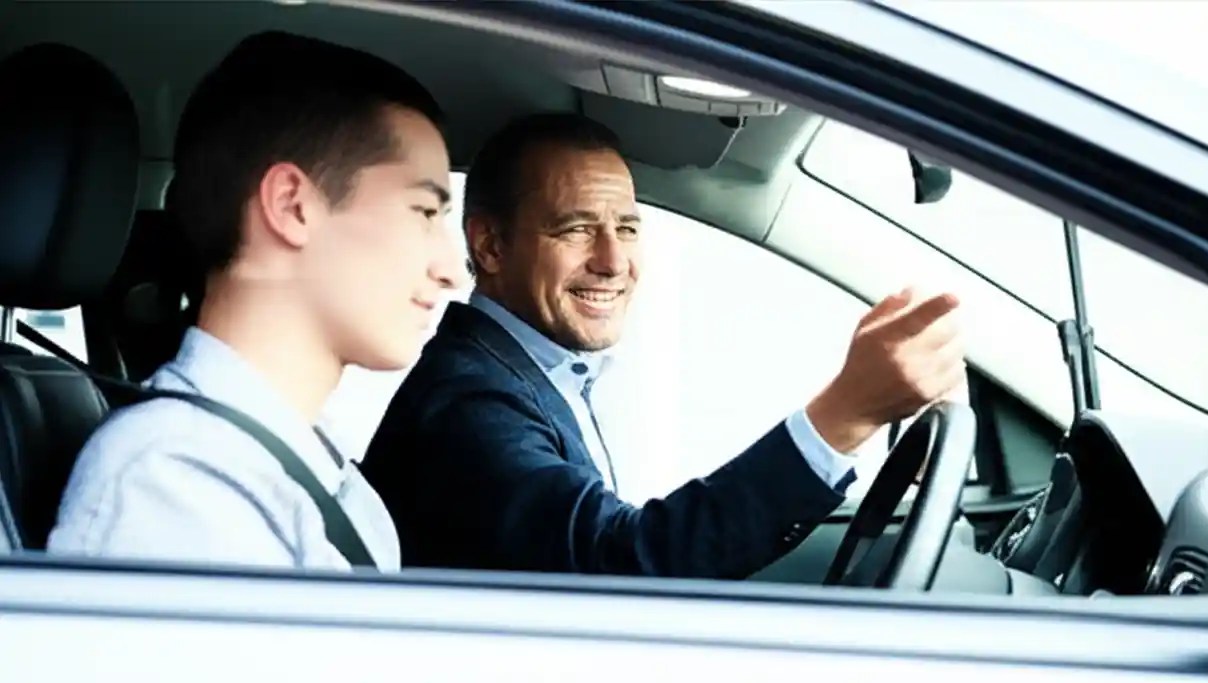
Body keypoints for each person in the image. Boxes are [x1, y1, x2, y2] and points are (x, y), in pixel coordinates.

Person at [360, 113, 965, 578]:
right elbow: (621, 561)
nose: (613, 261)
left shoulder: (527, 372)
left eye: (626, 228)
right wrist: (845, 415)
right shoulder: (468, 405)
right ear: (490, 247)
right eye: (575, 229)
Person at [46, 31, 463, 570]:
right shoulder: (176, 485)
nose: (452, 270)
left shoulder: (294, 464)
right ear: (292, 206)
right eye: (424, 213)